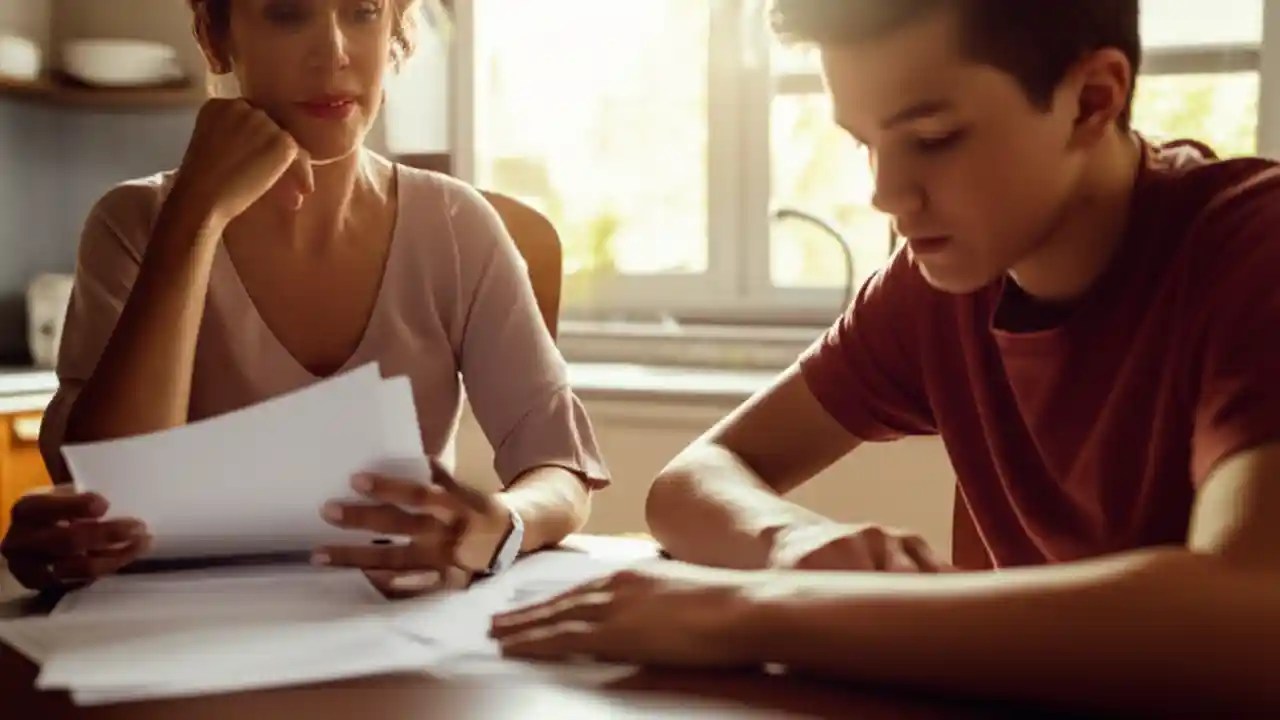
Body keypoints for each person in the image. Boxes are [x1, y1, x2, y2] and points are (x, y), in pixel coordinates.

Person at [489, 1, 1280, 715]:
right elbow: (695, 479)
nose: (886, 193)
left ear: (1092, 99)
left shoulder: (1251, 251)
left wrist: (745, 614)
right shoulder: (939, 284)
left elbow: (1253, 615)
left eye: (933, 139)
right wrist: (787, 545)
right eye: (865, 144)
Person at [0, 0, 608, 598]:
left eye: (363, 12)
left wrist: (497, 523)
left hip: (391, 634)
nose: (335, 52)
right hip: (182, 641)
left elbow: (560, 469)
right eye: (288, 13)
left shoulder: (456, 226)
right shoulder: (133, 223)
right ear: (214, 35)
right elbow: (111, 495)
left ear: (396, 26)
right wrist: (194, 218)